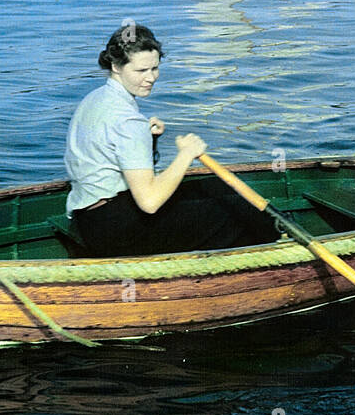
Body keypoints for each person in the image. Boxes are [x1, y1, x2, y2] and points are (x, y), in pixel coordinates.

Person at [63, 25, 277, 257]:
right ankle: (278, 257)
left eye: (155, 68)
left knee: (214, 187)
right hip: (117, 232)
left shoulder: (95, 99)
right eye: (141, 70)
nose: (151, 78)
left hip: (88, 220)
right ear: (116, 66)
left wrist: (148, 140)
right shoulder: (128, 121)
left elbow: (110, 152)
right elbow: (150, 202)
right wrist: (186, 154)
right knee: (236, 210)